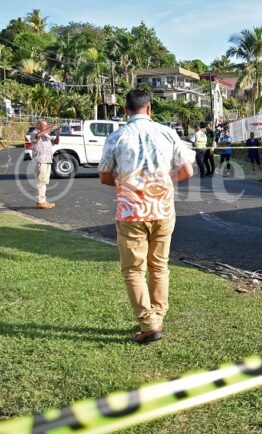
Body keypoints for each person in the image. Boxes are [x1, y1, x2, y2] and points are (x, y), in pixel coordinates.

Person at [99, 89, 195, 344]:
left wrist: (130, 184)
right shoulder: (167, 133)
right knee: (159, 266)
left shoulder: (116, 136)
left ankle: (149, 322)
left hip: (131, 212)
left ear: (125, 110)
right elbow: (187, 170)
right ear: (150, 109)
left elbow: (105, 176)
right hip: (163, 210)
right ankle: (158, 317)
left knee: (133, 270)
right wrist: (163, 182)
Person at [31, 119, 60, 208]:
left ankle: (42, 200)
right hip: (40, 160)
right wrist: (50, 128)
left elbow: (56, 142)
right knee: (41, 181)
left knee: (44, 182)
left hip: (47, 160)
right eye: (44, 125)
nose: (46, 126)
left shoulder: (46, 134)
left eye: (47, 125)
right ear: (39, 125)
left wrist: (58, 133)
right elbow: (38, 136)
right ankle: (40, 201)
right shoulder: (35, 132)